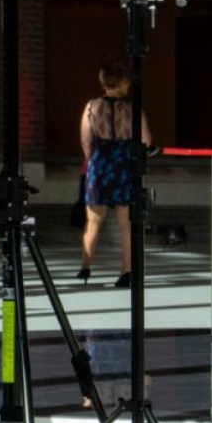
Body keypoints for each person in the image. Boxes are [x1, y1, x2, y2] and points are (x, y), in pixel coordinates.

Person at [79, 62, 153, 288]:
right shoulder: (133, 109)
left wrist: (94, 161)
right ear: (121, 82)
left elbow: (85, 140)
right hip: (124, 166)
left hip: (100, 165)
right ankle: (126, 271)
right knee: (127, 224)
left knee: (93, 221)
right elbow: (146, 140)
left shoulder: (91, 106)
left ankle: (85, 267)